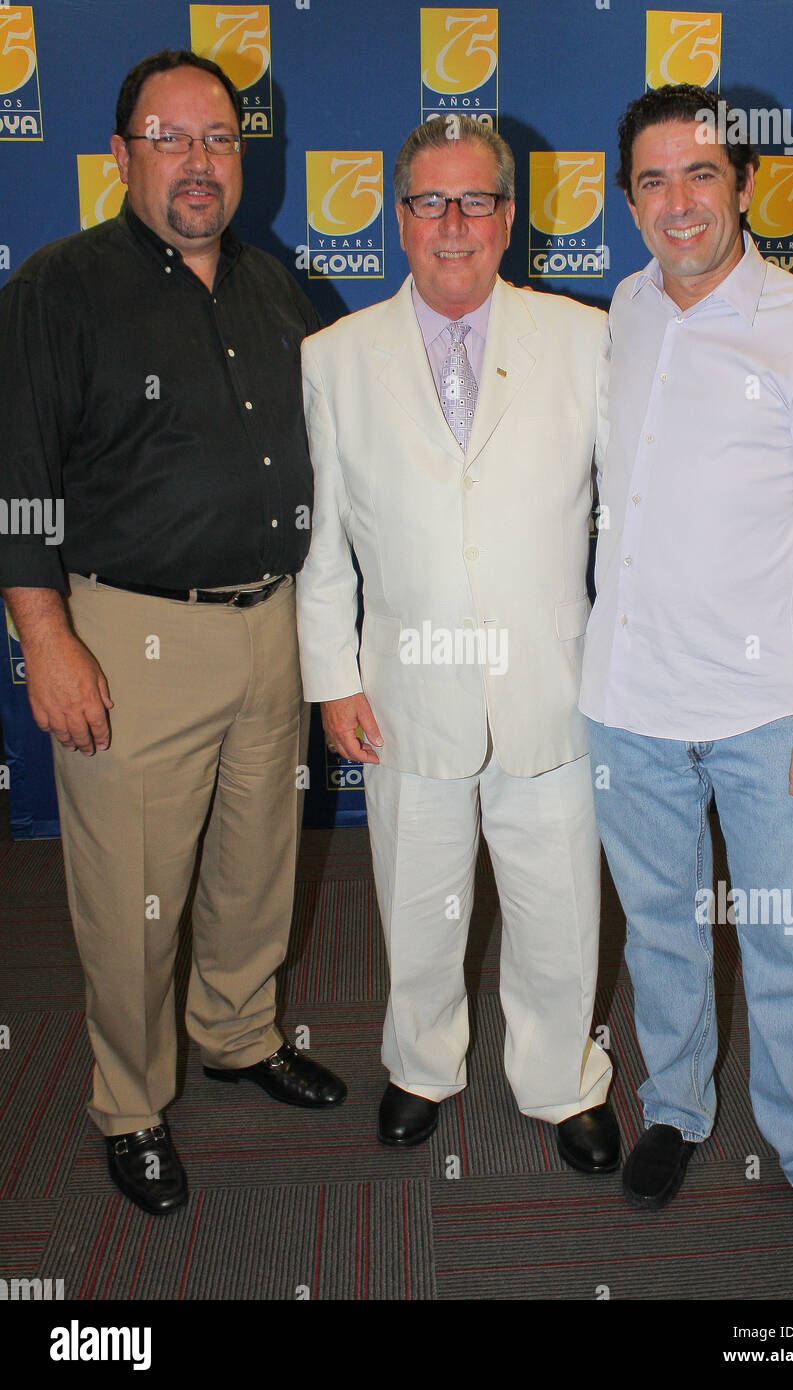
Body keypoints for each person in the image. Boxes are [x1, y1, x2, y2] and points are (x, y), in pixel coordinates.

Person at [0, 49, 346, 1217]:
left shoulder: (272, 286)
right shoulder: (58, 286)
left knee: (256, 867)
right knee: (133, 895)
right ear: (122, 155)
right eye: (172, 137)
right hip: (127, 638)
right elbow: (19, 481)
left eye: (217, 139)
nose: (199, 163)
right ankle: (131, 1103)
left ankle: (240, 1035)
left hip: (270, 630)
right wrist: (45, 637)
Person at [581, 83, 793, 1274]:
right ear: (627, 199)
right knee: (659, 929)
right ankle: (674, 1109)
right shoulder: (621, 307)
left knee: (789, 947)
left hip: (771, 713)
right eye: (652, 180)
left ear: (744, 186)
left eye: (699, 175)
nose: (676, 202)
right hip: (629, 701)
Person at [297, 116, 617, 1169]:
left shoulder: (581, 340)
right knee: (417, 901)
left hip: (551, 688)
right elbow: (324, 546)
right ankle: (420, 1064)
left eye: (474, 200)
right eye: (429, 202)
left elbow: (632, 519)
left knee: (557, 907)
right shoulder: (333, 359)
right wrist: (332, 680)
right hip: (404, 695)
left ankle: (559, 1081)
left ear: (509, 217)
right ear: (396, 220)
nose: (452, 224)